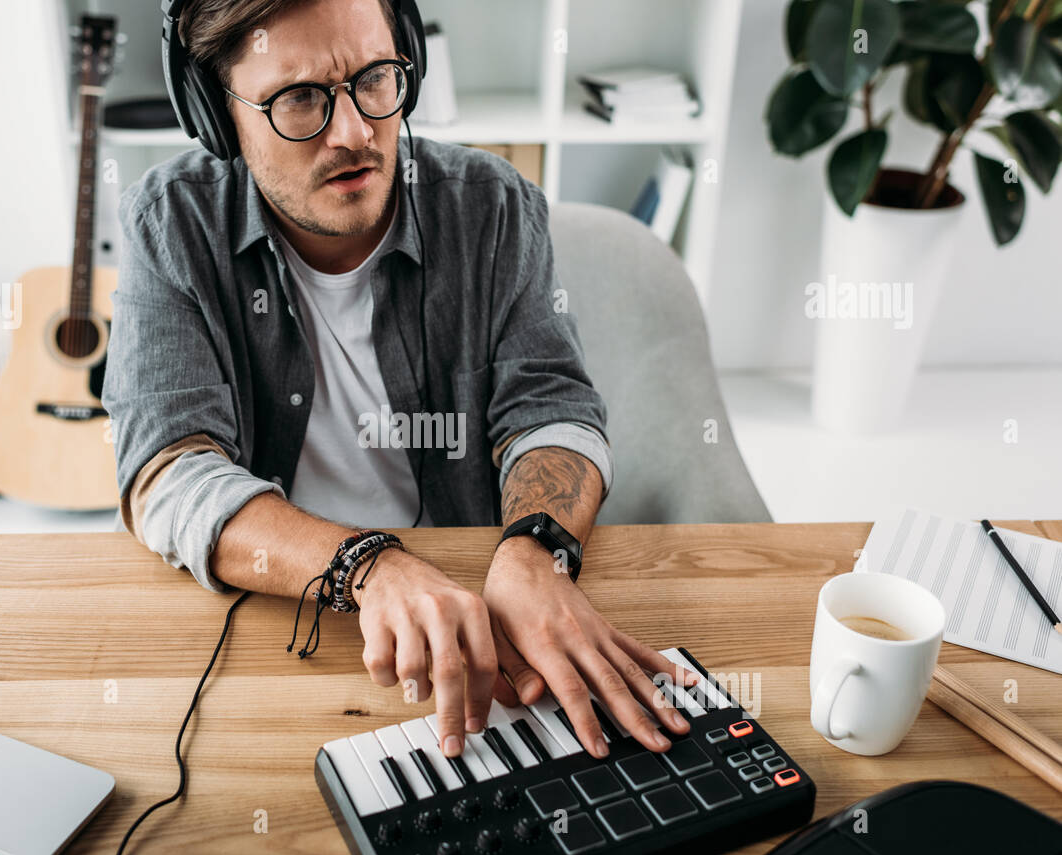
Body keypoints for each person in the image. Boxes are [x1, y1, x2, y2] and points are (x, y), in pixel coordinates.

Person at [103, 0, 697, 762]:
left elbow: (553, 410)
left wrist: (534, 550)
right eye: (301, 99)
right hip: (274, 622)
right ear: (219, 115)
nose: (354, 133)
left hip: (473, 615)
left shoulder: (492, 207)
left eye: (375, 78)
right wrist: (368, 564)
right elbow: (169, 472)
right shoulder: (170, 224)